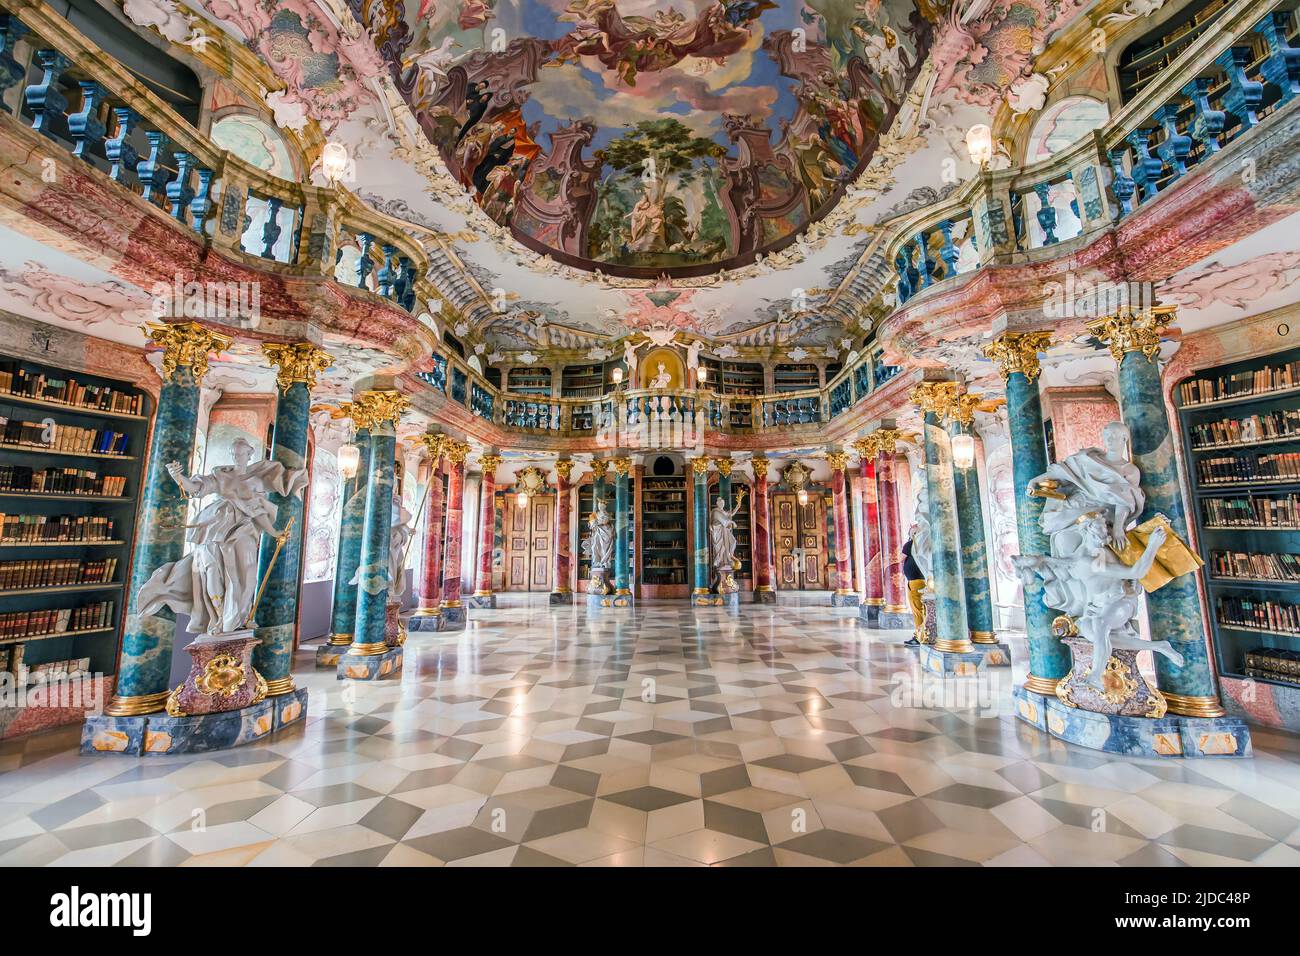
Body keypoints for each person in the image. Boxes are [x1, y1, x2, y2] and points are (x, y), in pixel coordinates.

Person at [901, 528, 927, 646]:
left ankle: (919, 636)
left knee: (917, 610)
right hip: (919, 581)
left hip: (915, 582)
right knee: (921, 609)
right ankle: (923, 634)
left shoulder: (911, 544)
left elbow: (900, 558)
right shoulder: (922, 545)